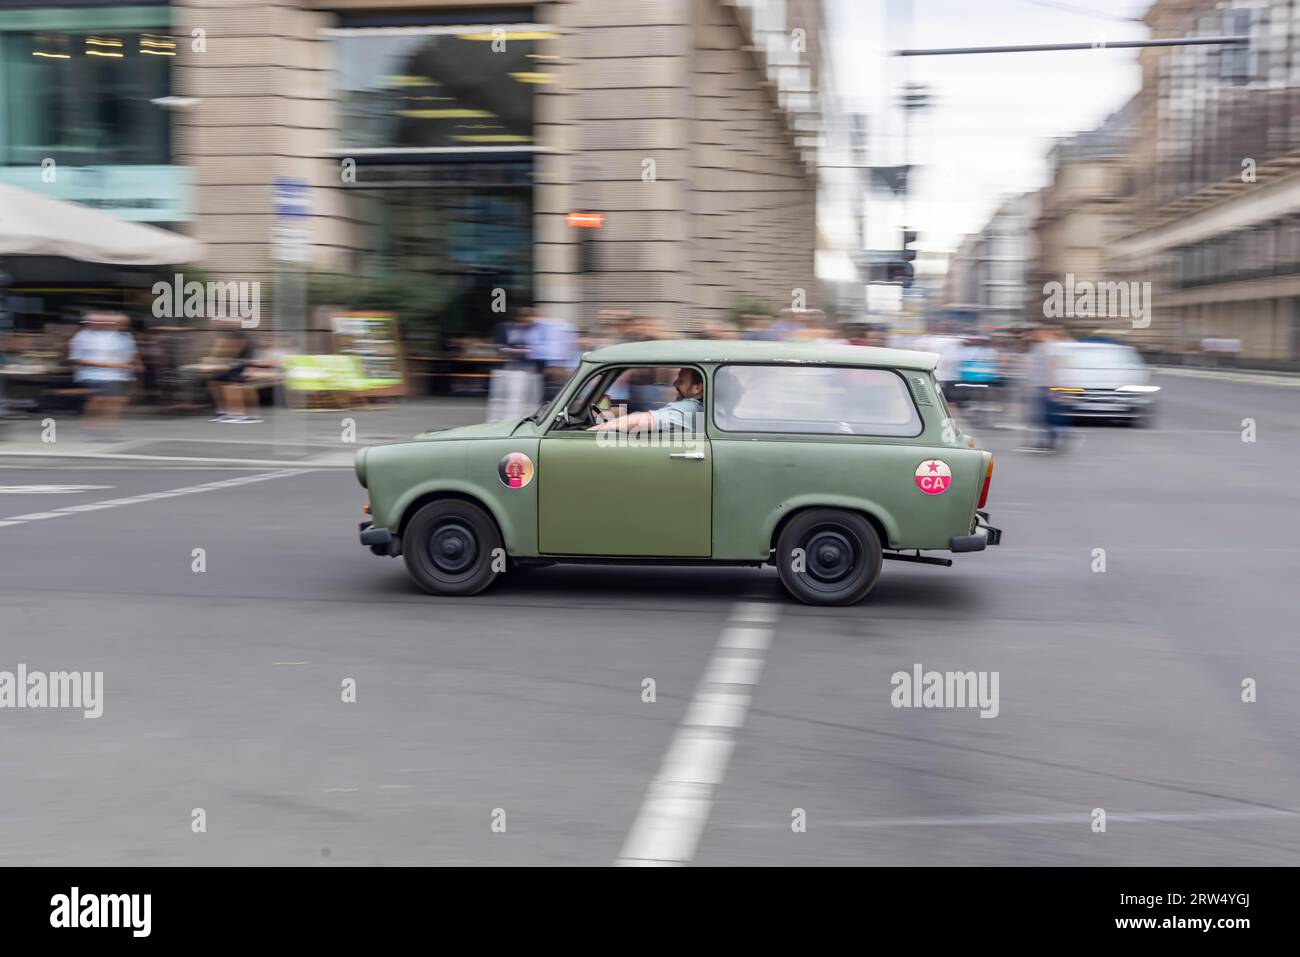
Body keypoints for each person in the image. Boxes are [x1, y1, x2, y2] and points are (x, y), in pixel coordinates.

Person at [67, 311, 139, 440]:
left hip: (116, 375)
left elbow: (129, 354)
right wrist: (109, 365)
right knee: (100, 400)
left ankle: (108, 429)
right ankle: (94, 428)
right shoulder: (81, 337)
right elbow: (76, 359)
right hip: (91, 374)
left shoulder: (118, 335)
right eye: (97, 322)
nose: (102, 324)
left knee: (115, 402)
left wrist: (130, 368)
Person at [589, 367, 703, 434]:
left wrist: (596, 429)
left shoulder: (691, 408)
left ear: (697, 388)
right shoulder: (695, 408)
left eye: (681, 381)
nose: (675, 383)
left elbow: (640, 421)